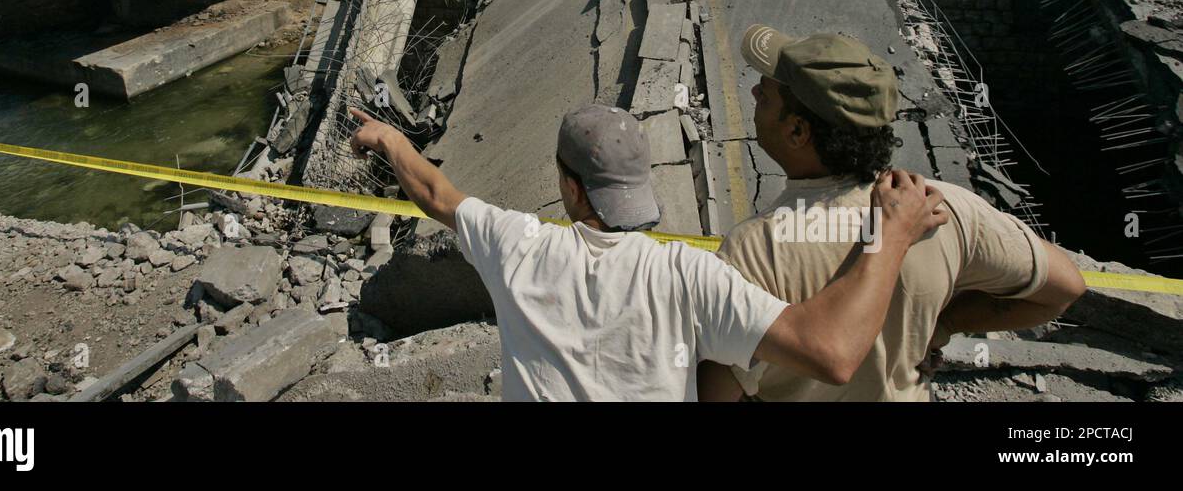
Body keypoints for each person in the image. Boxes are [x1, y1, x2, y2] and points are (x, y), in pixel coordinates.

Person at [350, 102, 946, 402]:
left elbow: (435, 194)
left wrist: (389, 138)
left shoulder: (516, 246)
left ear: (570, 187)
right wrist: (888, 235)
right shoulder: (687, 273)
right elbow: (830, 352)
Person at [698, 25, 1086, 402]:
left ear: (798, 132)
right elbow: (1065, 288)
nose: (753, 91)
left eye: (765, 96)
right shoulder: (944, 206)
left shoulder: (754, 252)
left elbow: (713, 394)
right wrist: (945, 323)